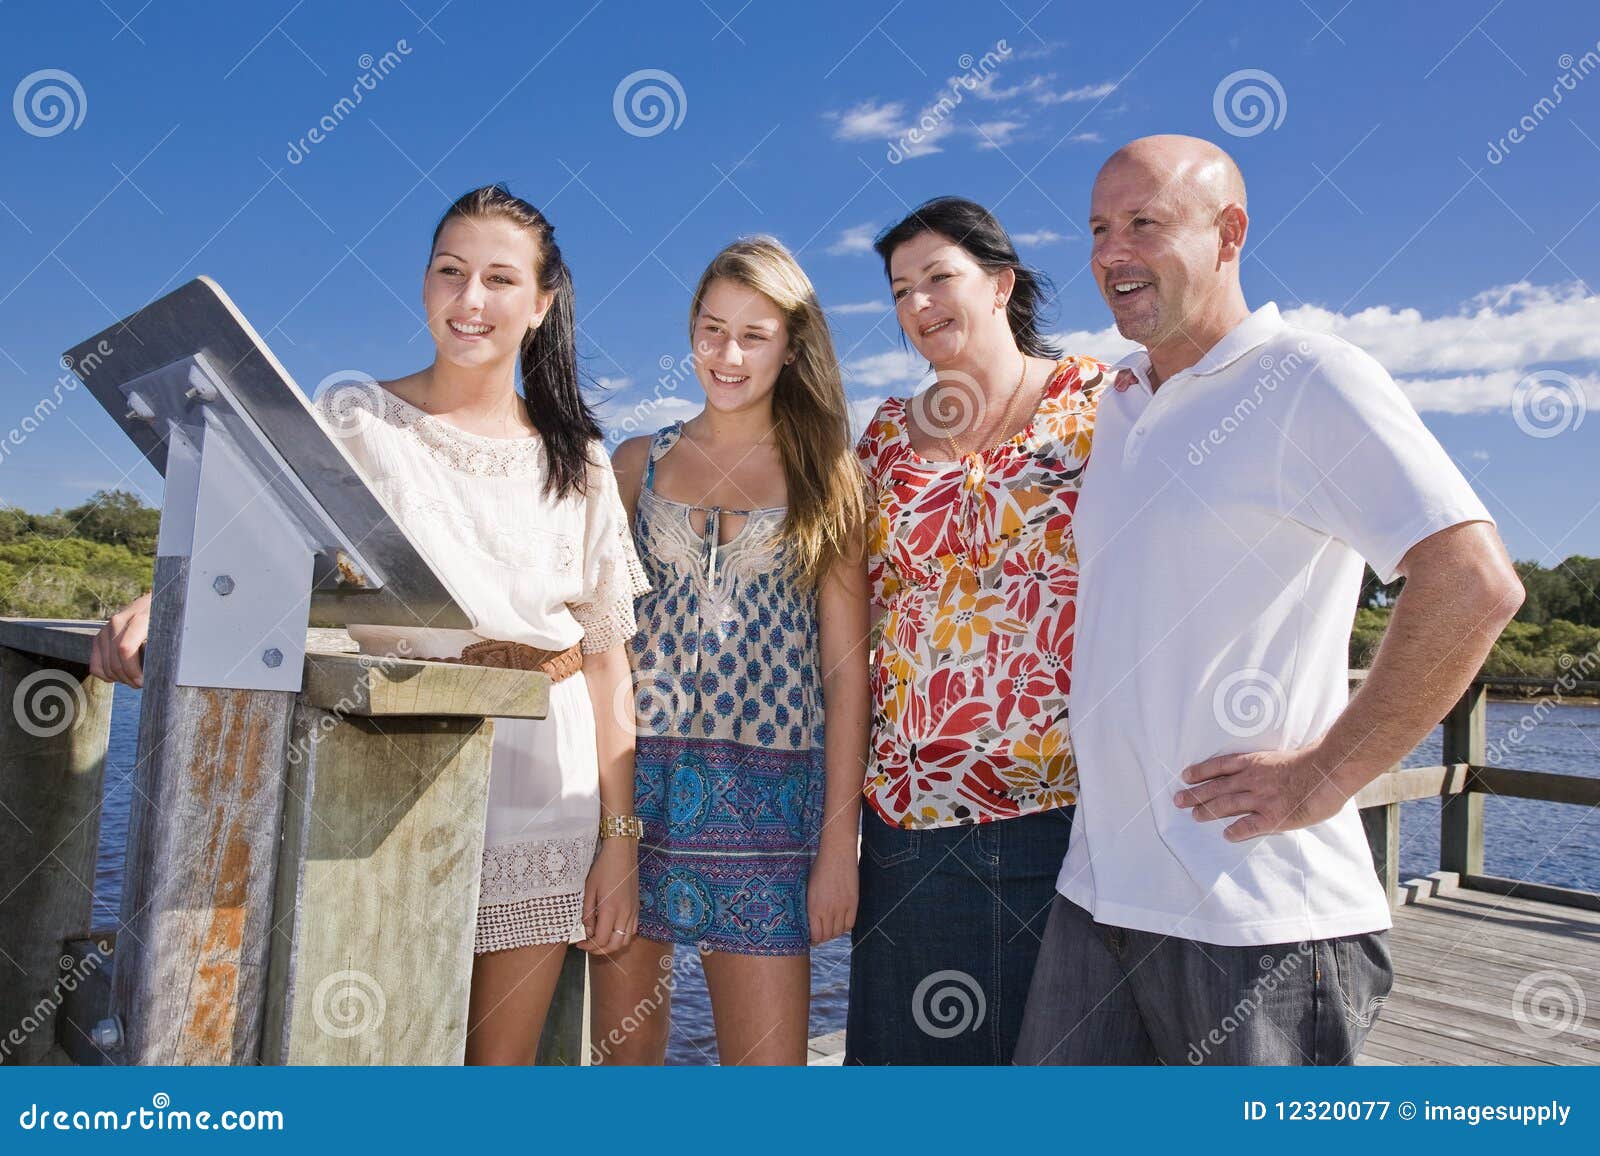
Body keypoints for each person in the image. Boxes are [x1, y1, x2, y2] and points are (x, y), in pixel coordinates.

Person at [88, 184, 651, 1065]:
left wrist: (620, 846)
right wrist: (166, 598)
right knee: (366, 1048)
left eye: (500, 279)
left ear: (541, 305)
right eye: (450, 271)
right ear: (425, 282)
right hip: (383, 772)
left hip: (547, 783)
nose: (470, 300)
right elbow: (262, 540)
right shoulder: (357, 416)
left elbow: (610, 664)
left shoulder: (574, 458)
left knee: (495, 1076)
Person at [1015, 135, 1525, 1066]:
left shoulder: (1309, 378)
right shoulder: (1120, 404)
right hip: (1100, 897)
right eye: (1096, 229)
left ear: (1229, 233)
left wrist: (1324, 777)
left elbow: (1475, 582)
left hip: (1261, 917)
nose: (1108, 252)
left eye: (1144, 223)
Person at [591, 237, 869, 1065]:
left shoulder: (831, 481)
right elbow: (605, 648)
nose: (729, 353)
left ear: (792, 344)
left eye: (755, 333)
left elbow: (847, 679)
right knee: (623, 1079)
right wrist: (613, 829)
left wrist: (837, 850)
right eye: (712, 329)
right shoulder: (638, 463)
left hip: (770, 813)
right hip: (636, 797)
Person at [847, 197, 1104, 1064]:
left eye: (938, 277)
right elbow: (851, 621)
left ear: (1000, 283)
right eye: (900, 289)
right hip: (907, 812)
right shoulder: (882, 439)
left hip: (1071, 807)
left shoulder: (1103, 402)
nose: (919, 302)